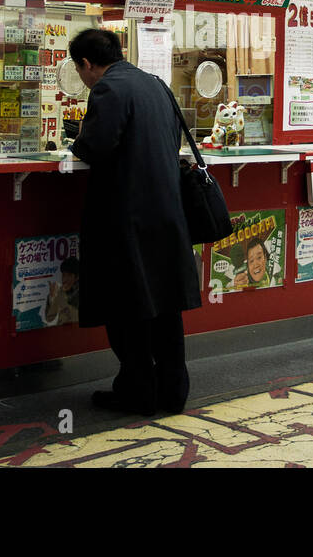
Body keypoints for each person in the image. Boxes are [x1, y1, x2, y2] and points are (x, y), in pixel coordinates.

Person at [68, 28, 200, 415]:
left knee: (127, 309)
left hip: (126, 219)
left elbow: (96, 146)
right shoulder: (156, 84)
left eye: (81, 71)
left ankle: (137, 392)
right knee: (165, 307)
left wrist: (76, 139)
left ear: (87, 64)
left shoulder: (108, 89)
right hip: (166, 214)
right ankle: (174, 392)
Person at [43, 256, 80, 326]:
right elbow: (49, 318)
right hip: (62, 334)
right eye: (63, 275)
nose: (64, 279)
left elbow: (73, 301)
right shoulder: (60, 292)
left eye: (69, 275)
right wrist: (51, 297)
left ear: (77, 277)